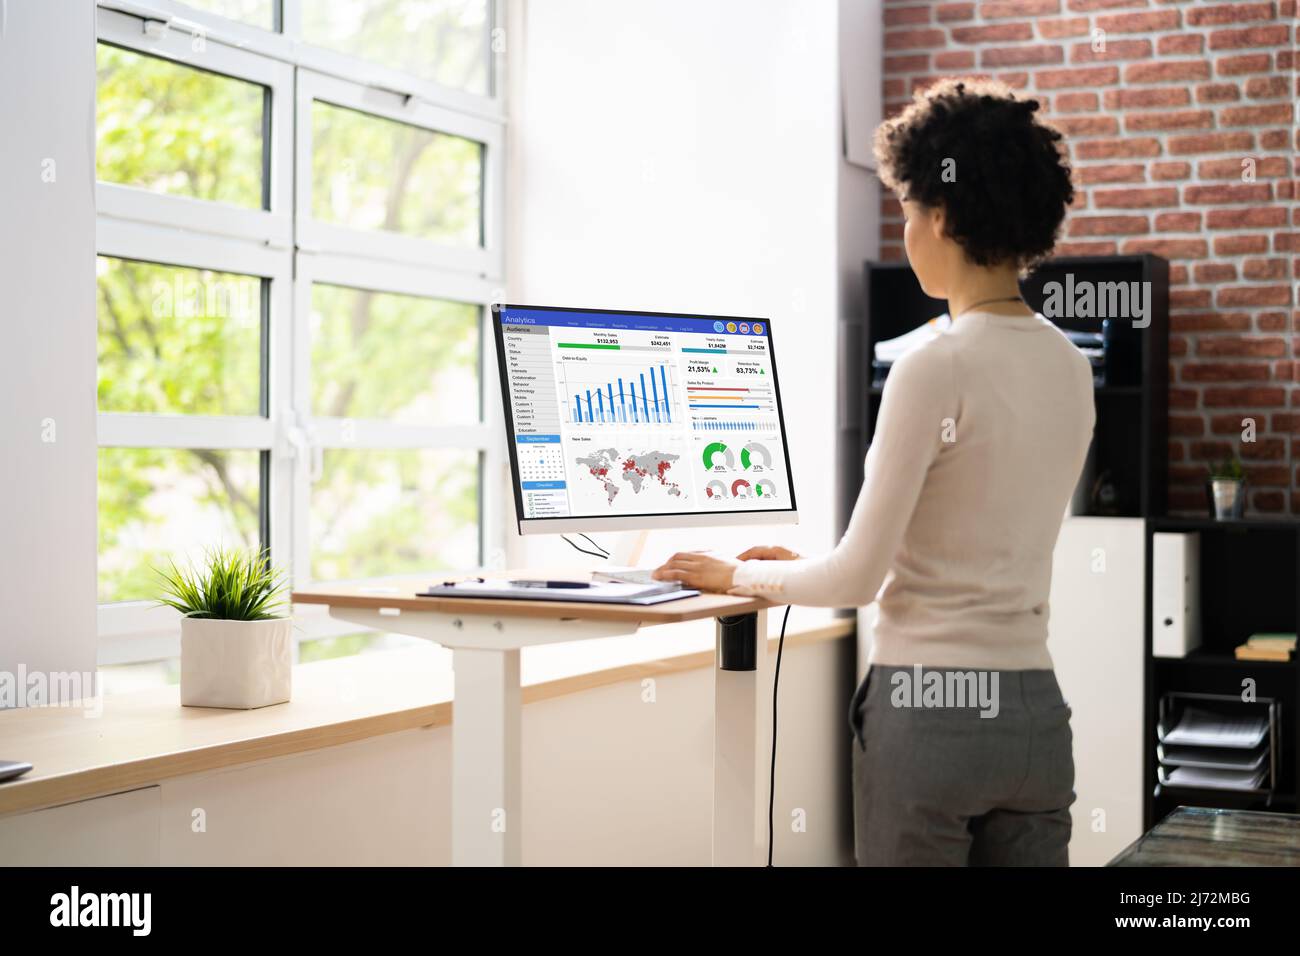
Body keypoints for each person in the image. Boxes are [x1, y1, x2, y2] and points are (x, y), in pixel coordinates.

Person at [653, 78, 1094, 866]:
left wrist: (735, 576)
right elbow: (966, 536)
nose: (905, 231)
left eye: (908, 211)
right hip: (1033, 716)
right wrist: (804, 567)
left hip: (932, 715)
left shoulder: (934, 366)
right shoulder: (1068, 366)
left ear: (945, 216)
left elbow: (859, 579)